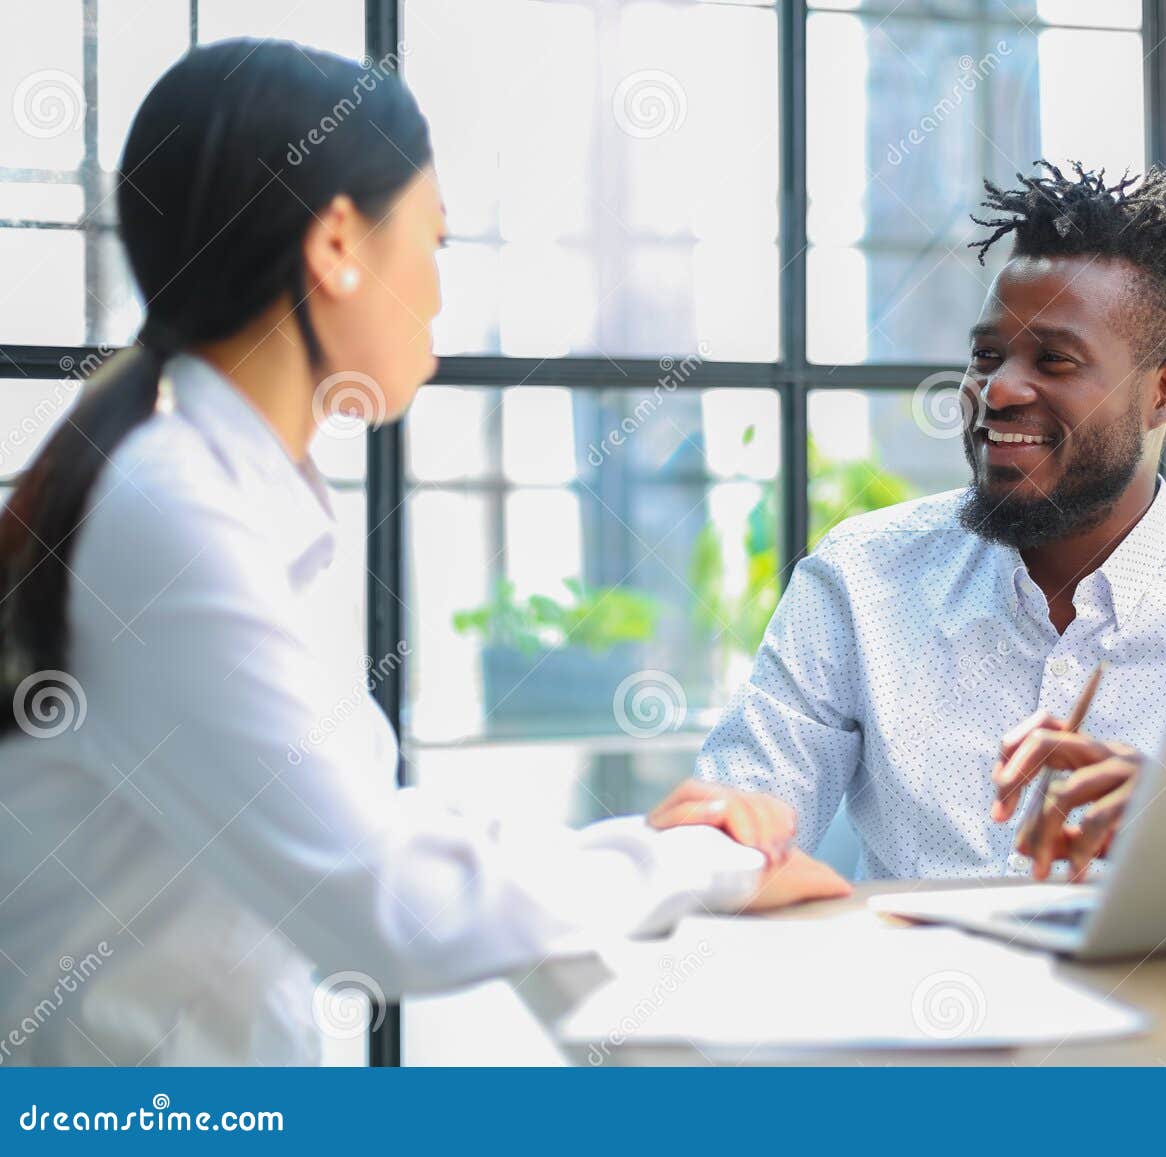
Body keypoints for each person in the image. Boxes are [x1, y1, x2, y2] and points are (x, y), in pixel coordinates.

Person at [0, 40, 846, 1067]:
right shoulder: (168, 505)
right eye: (433, 242)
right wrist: (693, 865)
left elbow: (354, 831)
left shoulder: (200, 482)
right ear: (338, 244)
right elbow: (382, 903)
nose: (440, 297)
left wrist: (641, 849)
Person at [697, 161, 1166, 880]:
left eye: (1054, 360)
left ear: (1163, 392)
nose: (996, 391)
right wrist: (704, 848)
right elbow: (741, 817)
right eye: (986, 355)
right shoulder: (863, 578)